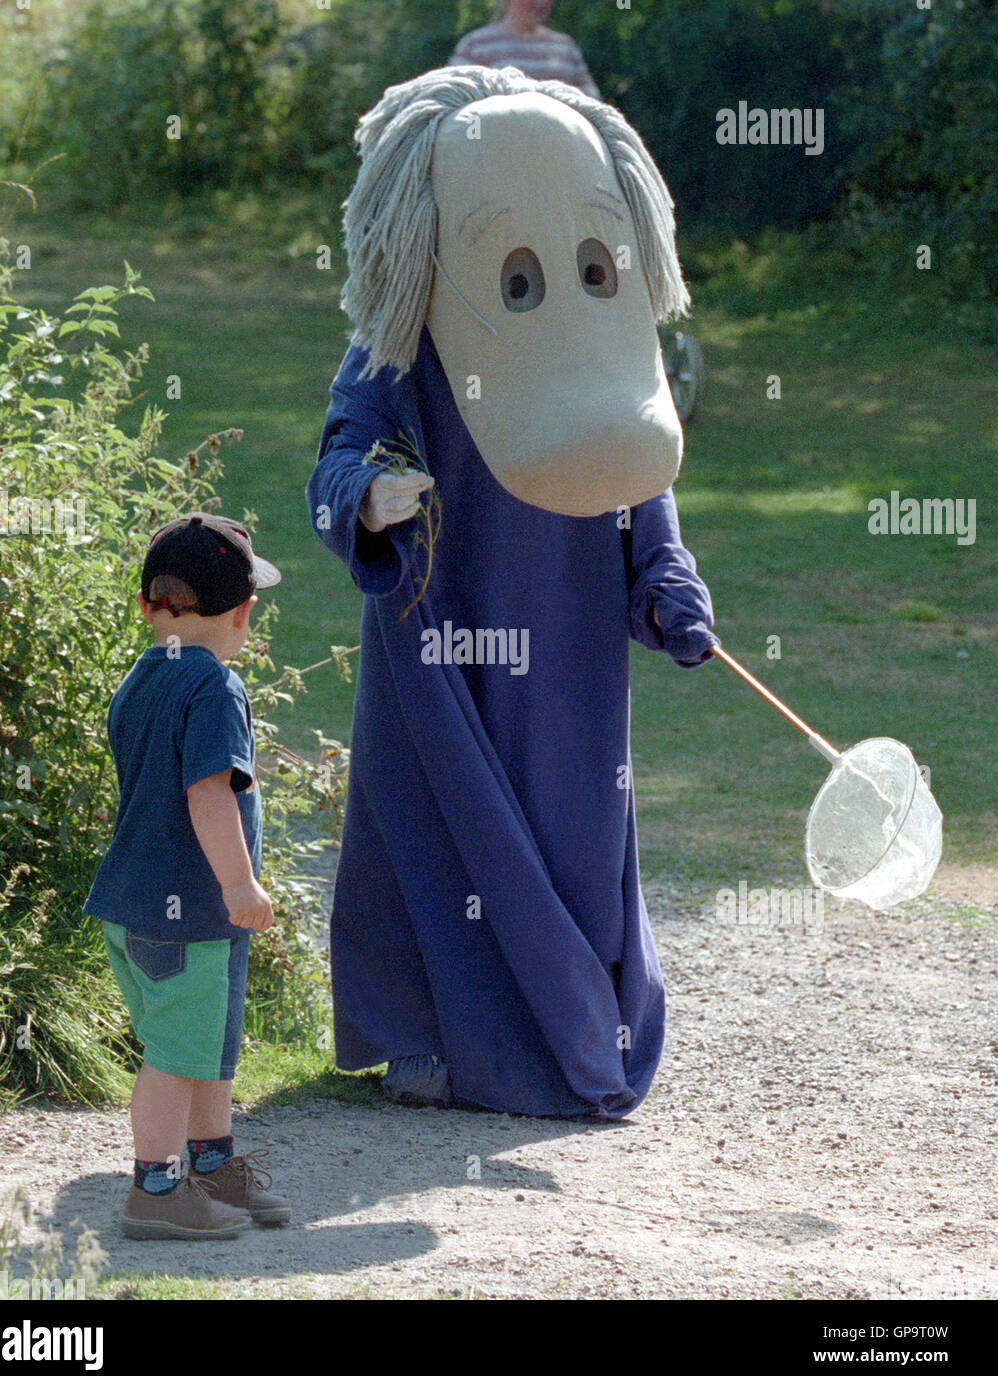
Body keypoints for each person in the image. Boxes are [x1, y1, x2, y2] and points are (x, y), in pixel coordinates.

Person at [307, 66, 715, 1120]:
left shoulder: (598, 340)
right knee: (428, 828)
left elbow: (633, 477)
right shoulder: (402, 340)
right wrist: (370, 497)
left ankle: (579, 1025)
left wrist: (665, 581)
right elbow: (334, 462)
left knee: (573, 825)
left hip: (567, 631)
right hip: (439, 629)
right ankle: (419, 1035)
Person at [84, 513, 292, 1238]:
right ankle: (155, 1189)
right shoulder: (214, 688)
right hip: (191, 912)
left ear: (147, 605)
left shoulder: (143, 678)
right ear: (243, 611)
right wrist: (240, 884)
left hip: (155, 906)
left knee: (209, 1043)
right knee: (176, 1054)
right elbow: (208, 791)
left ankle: (212, 1162)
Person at [448, 0, 601, 98]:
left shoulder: (565, 47)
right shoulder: (475, 45)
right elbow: (451, 97)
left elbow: (592, 101)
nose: (542, 2)